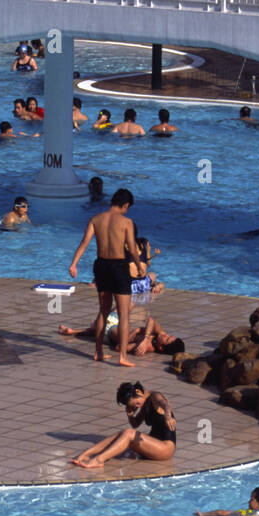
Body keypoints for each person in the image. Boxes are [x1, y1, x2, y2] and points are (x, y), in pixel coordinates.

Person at [68, 188, 146, 364]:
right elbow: (132, 248)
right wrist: (140, 266)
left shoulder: (95, 219)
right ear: (125, 205)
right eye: (127, 207)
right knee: (124, 314)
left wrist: (74, 264)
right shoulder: (126, 222)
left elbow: (84, 242)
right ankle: (123, 357)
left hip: (101, 265)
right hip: (118, 267)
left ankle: (98, 352)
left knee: (103, 312)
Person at [71, 381, 176, 467]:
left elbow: (164, 404)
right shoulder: (145, 403)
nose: (138, 406)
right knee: (122, 433)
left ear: (139, 392)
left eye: (136, 403)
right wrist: (130, 415)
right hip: (154, 445)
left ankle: (99, 460)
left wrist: (167, 415)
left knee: (128, 433)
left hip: (166, 448)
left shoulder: (155, 396)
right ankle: (86, 454)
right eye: (135, 405)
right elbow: (135, 424)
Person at [195, 486, 259, 516]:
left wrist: (203, 514)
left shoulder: (247, 513)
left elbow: (221, 513)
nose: (248, 502)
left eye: (251, 499)